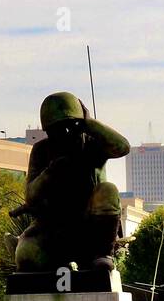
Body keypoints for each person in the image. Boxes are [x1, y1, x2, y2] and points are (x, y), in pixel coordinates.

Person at [13, 91, 130, 271]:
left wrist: (91, 125)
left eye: (71, 125)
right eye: (58, 128)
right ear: (48, 130)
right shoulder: (42, 150)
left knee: (108, 190)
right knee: (26, 257)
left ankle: (102, 254)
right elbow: (31, 196)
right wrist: (51, 172)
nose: (66, 132)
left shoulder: (92, 143)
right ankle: (50, 258)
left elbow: (123, 147)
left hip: (90, 228)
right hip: (54, 230)